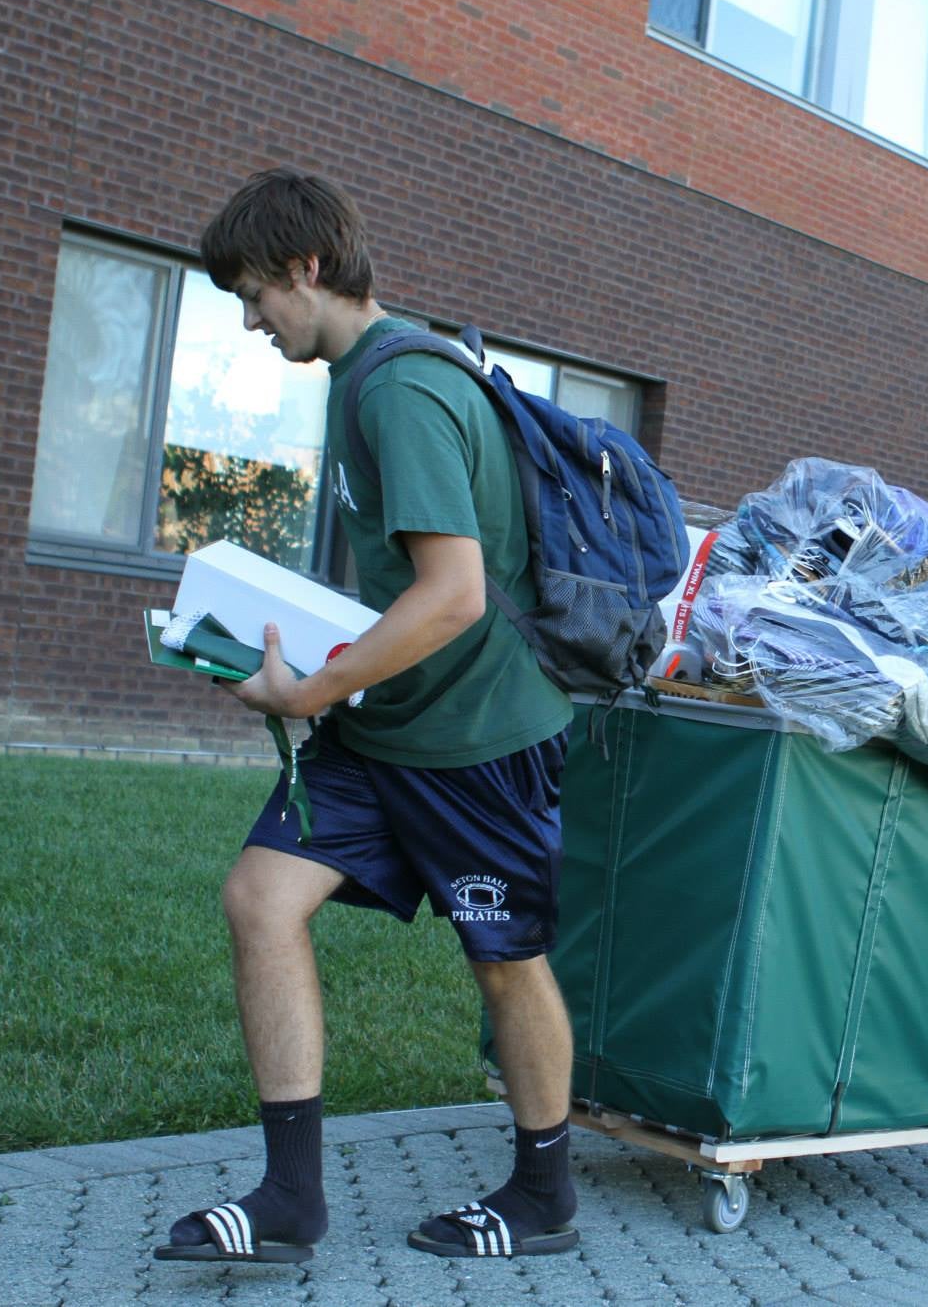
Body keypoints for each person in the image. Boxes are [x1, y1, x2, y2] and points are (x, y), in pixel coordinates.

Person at [153, 168, 580, 1264]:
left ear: (307, 267)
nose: (250, 322)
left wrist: (309, 690)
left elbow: (456, 594)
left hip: (481, 735)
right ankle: (289, 1199)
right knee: (259, 897)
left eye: (254, 295)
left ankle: (544, 1197)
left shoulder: (398, 387)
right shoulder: (355, 379)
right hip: (388, 725)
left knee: (505, 959)